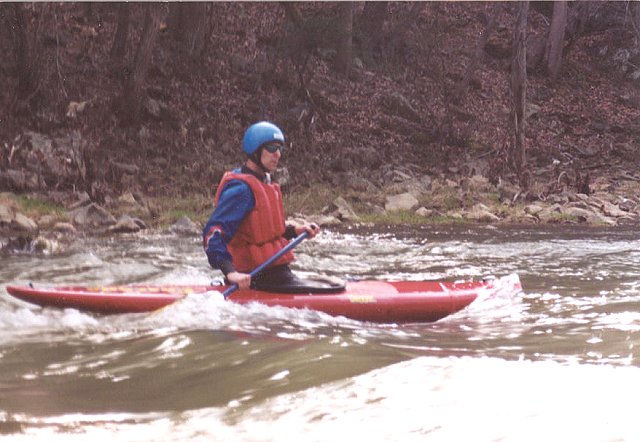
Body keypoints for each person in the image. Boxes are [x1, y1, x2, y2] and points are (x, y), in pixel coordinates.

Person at [203, 121, 341, 293]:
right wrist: (231, 273)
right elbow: (213, 233)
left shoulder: (264, 183)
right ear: (255, 150)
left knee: (332, 285)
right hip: (255, 276)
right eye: (271, 148)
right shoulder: (241, 189)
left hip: (274, 273)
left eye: (280, 149)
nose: (277, 154)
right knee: (330, 291)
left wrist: (296, 230)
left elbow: (263, 230)